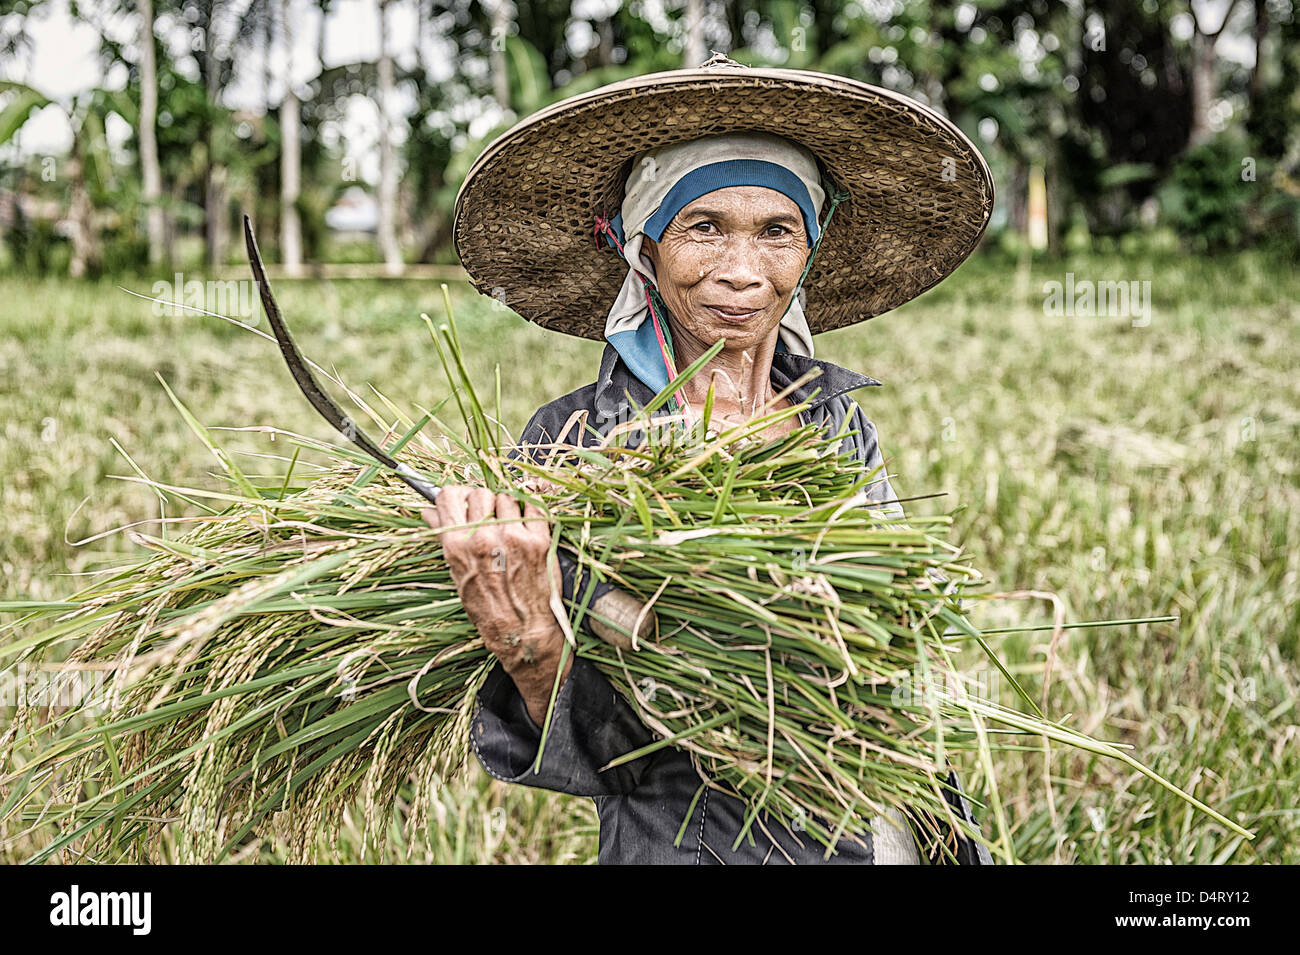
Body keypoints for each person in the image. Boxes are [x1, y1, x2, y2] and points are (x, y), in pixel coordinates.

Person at [423, 53, 996, 864]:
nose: (742, 271)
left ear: (810, 249)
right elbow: (592, 750)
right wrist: (530, 645)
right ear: (641, 245)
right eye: (703, 227)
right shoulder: (575, 447)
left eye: (776, 231)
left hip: (883, 832)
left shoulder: (835, 422)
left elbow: (904, 655)